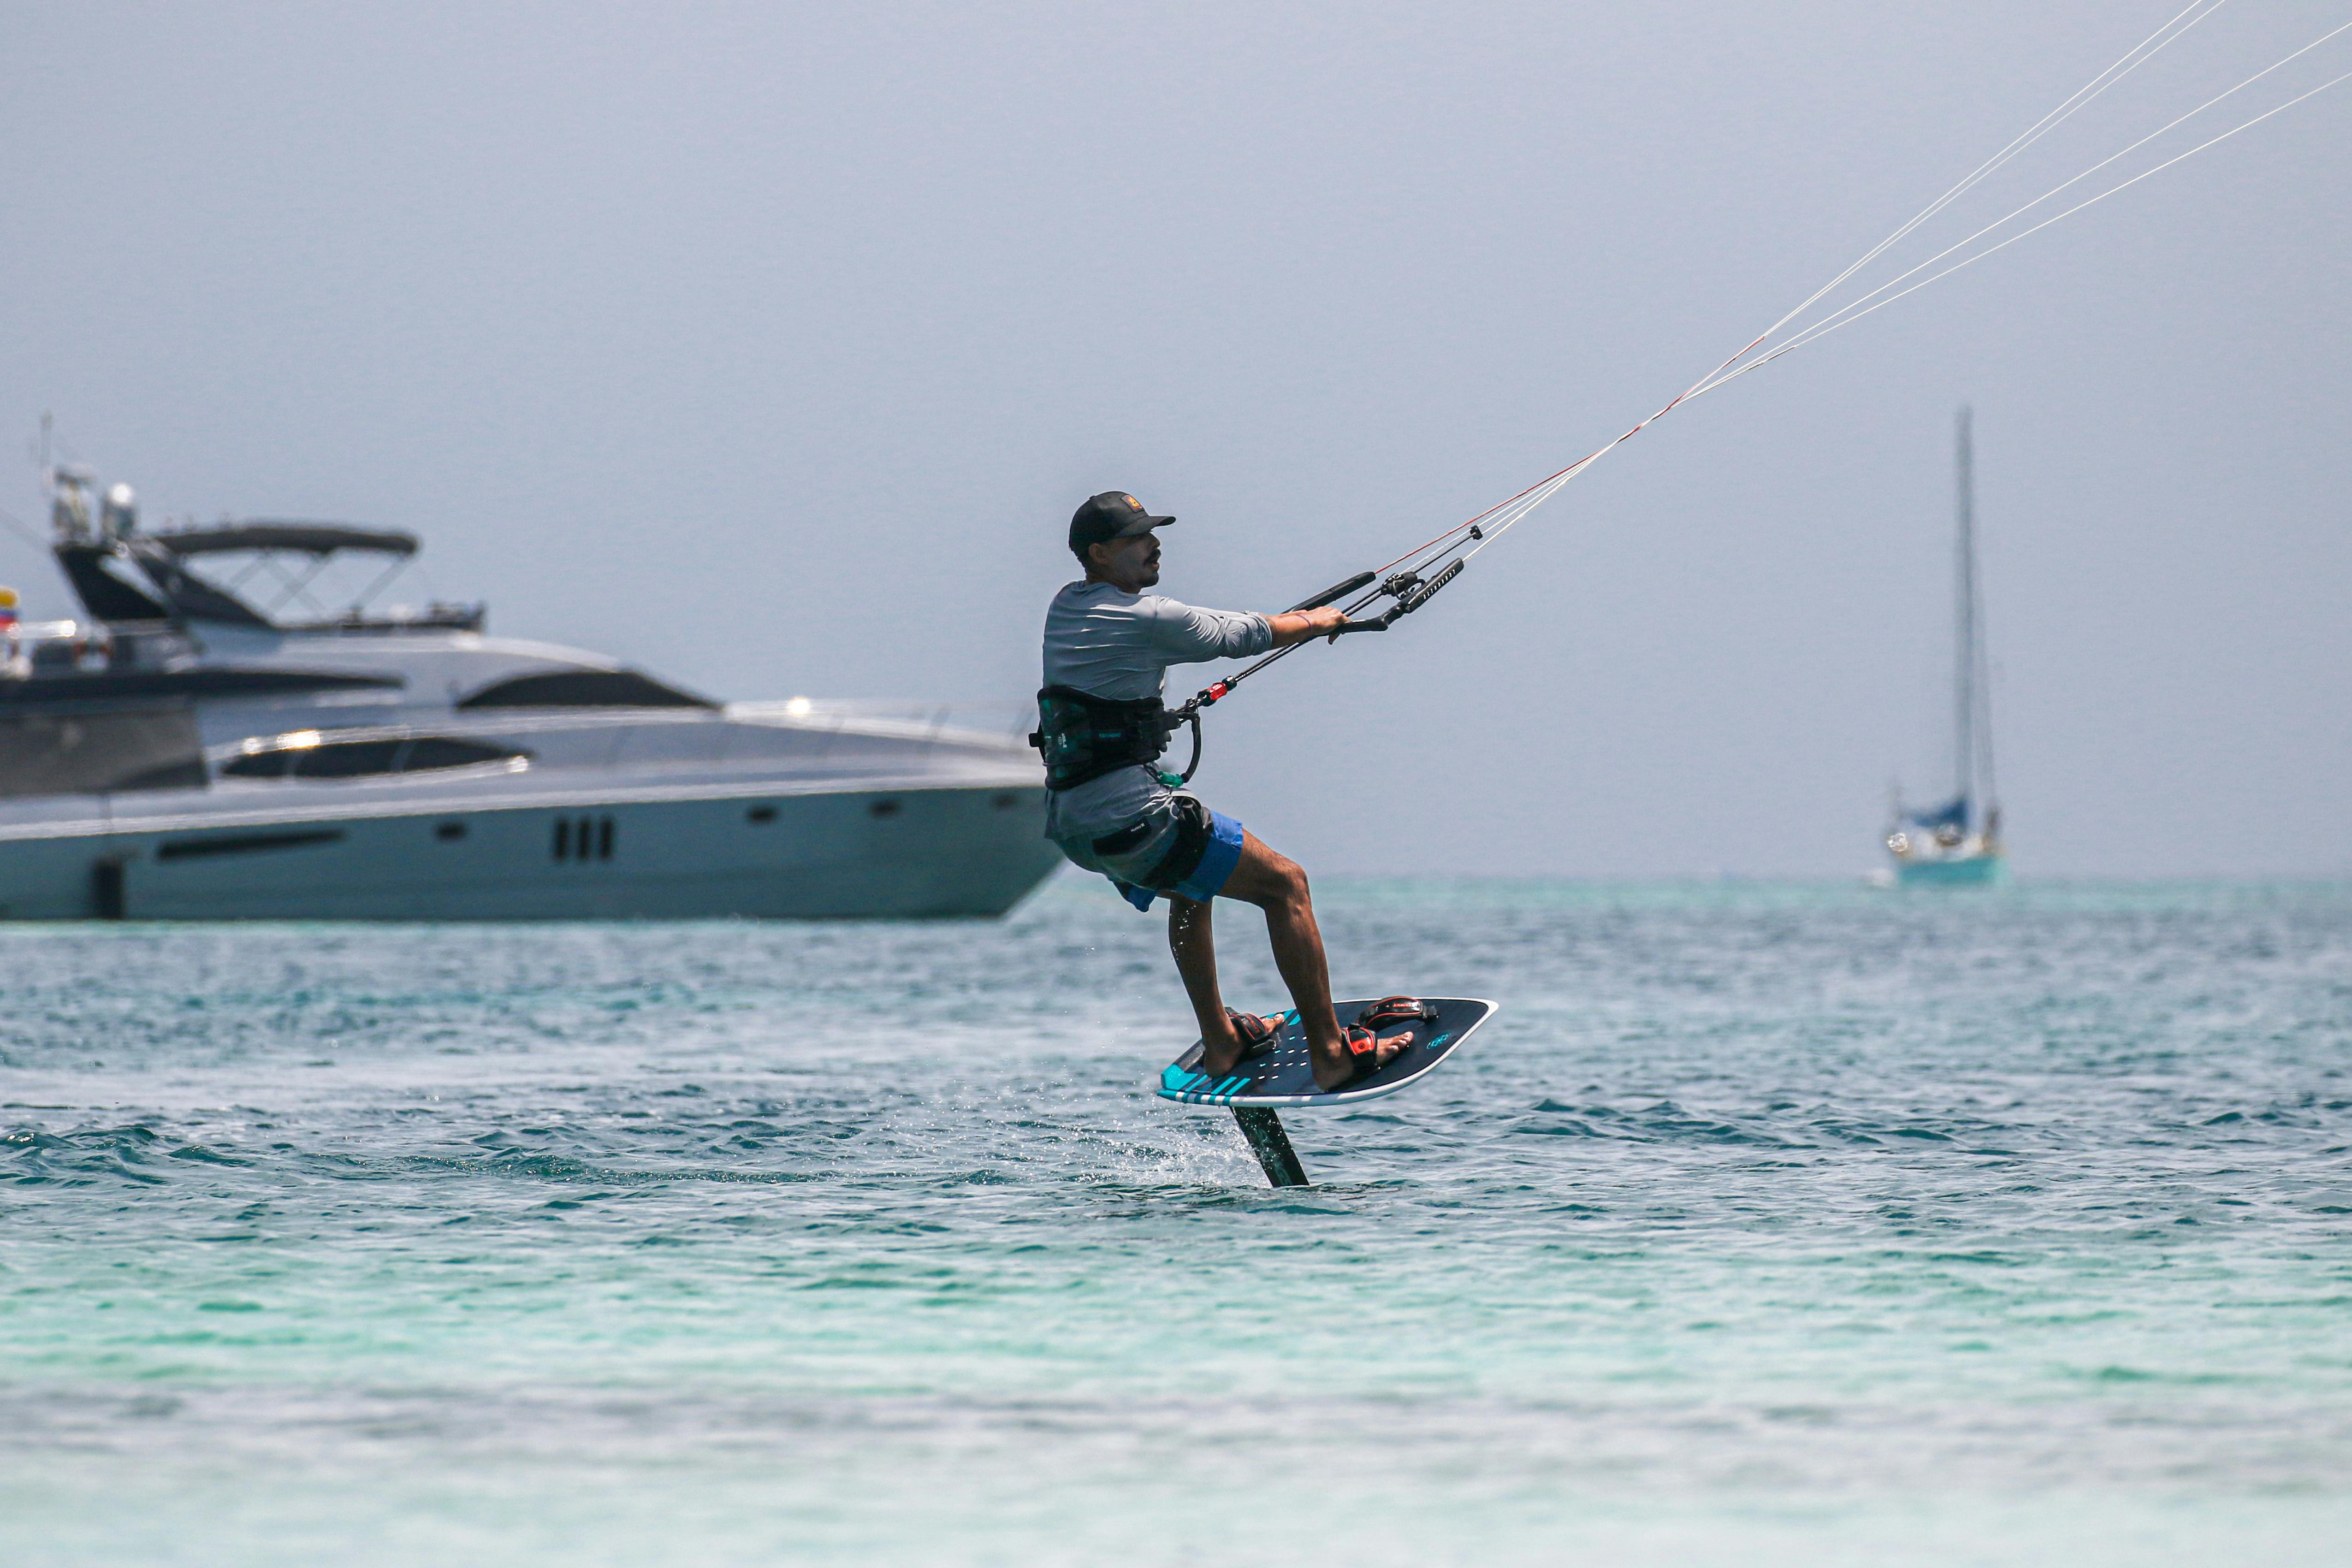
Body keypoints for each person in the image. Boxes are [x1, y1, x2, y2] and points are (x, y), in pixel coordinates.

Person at [1037, 491, 1413, 1090]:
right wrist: (1319, 622)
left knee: (1193, 884)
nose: (1154, 544)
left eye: (1153, 533)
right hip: (1134, 820)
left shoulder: (1066, 607)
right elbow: (1241, 634)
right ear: (1099, 553)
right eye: (1138, 538)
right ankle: (1331, 1054)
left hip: (1077, 828)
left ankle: (1220, 1042)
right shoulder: (1147, 618)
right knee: (1286, 883)